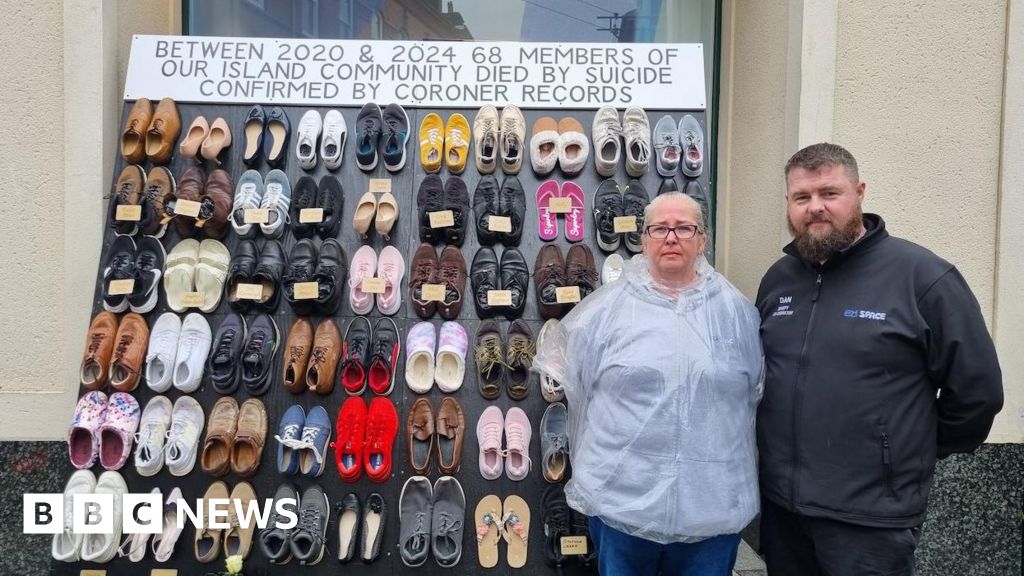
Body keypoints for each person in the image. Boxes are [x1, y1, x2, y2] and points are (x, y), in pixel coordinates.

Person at [756, 142, 1004, 575]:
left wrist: (907, 450)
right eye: (802, 197)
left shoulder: (922, 277)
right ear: (789, 203)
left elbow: (978, 391)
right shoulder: (779, 281)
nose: (815, 207)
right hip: (784, 511)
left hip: (870, 520)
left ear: (859, 192)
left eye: (829, 193)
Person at [533, 192, 763, 575]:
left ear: (702, 240)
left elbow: (754, 391)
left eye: (684, 228)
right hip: (622, 507)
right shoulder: (605, 311)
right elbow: (578, 390)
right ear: (644, 238)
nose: (671, 237)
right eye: (660, 228)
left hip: (711, 510)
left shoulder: (736, 313)